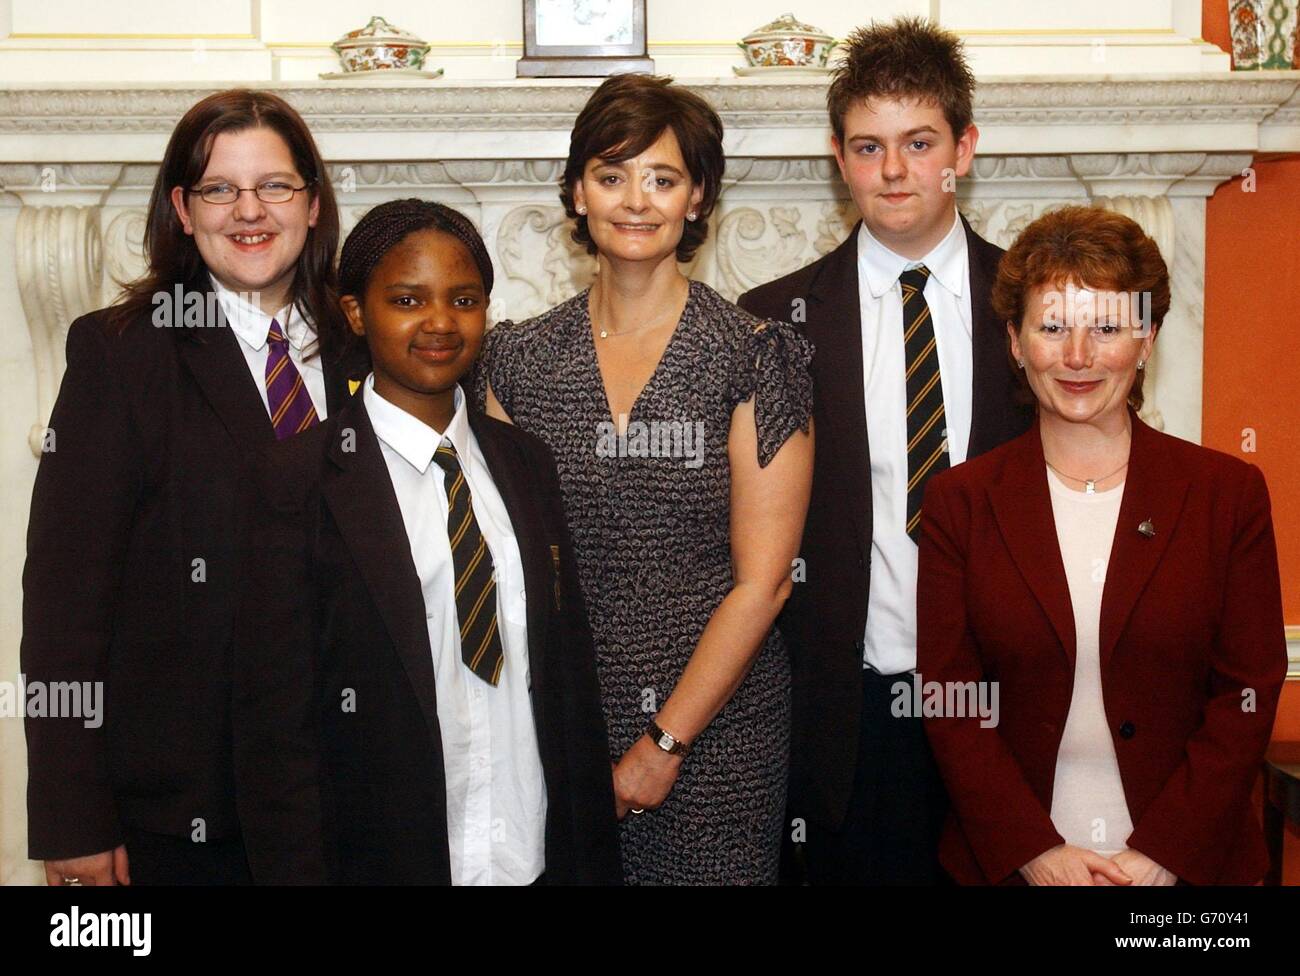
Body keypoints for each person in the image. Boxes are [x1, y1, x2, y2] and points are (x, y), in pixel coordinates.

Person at [475, 73, 814, 885]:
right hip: (562, 724)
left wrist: (665, 741)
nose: (636, 200)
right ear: (577, 192)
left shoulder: (754, 354)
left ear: (697, 199)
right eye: (611, 175)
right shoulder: (516, 360)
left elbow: (765, 583)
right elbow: (504, 566)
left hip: (719, 730)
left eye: (662, 179)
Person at [21, 89, 357, 885]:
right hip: (184, 817)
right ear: (181, 209)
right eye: (218, 189)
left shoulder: (370, 346)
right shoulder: (120, 355)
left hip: (352, 801)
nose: (250, 210)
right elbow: (65, 605)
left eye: (274, 185)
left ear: (313, 203)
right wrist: (73, 818)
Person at [233, 199, 622, 885]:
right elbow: (274, 731)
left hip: (527, 851)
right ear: (356, 313)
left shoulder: (526, 464)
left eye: (463, 300)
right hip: (386, 861)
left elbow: (568, 683)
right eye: (407, 300)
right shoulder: (296, 479)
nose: (440, 322)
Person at [738, 17, 1031, 884]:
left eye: (919, 143)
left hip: (1002, 702)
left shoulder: (1036, 310)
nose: (894, 170)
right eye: (869, 147)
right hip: (844, 713)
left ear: (963, 149)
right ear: (840, 158)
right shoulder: (774, 320)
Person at [917, 205, 1287, 886]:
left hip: (1190, 869)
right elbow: (950, 698)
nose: (1078, 356)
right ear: (1016, 342)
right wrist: (1034, 853)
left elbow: (1247, 693)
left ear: (1147, 339)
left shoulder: (1226, 495)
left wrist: (1164, 855)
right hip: (1011, 865)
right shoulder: (959, 502)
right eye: (1053, 327)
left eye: (1108, 328)